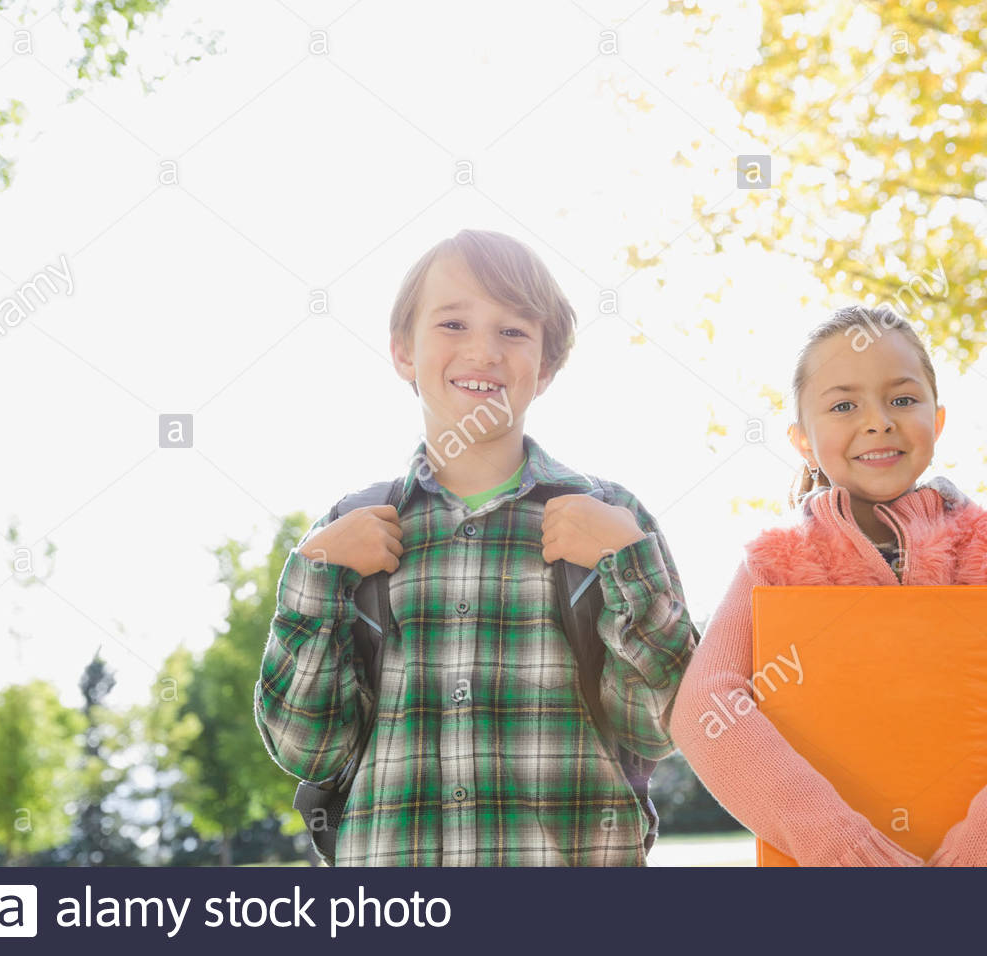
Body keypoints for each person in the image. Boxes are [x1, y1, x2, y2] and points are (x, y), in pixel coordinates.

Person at [254, 228, 697, 865]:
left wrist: (630, 564)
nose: (483, 351)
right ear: (403, 351)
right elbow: (307, 749)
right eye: (454, 324)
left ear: (545, 367)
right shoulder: (349, 532)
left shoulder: (614, 521)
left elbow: (659, 726)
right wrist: (316, 582)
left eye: (514, 331)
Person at [669, 304, 987, 866]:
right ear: (801, 439)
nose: (878, 421)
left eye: (902, 399)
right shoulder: (774, 566)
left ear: (936, 421)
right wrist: (836, 842)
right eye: (844, 404)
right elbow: (702, 709)